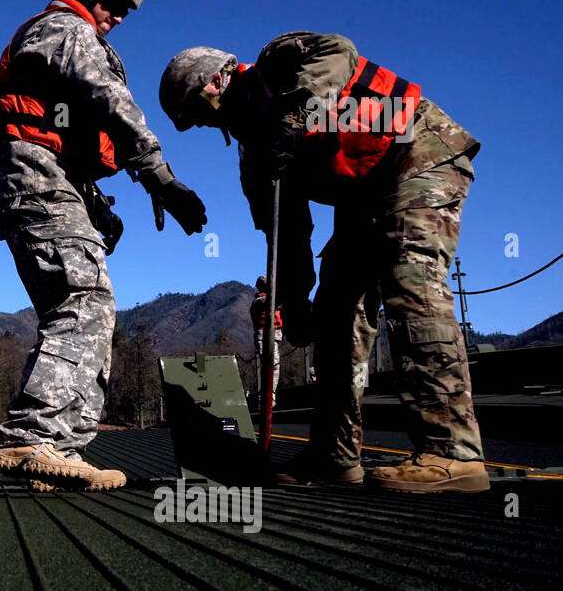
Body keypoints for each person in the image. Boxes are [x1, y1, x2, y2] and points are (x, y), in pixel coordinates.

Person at [159, 33, 487, 492]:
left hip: (417, 152)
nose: (206, 126)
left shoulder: (278, 63)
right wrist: (293, 303)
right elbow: (286, 233)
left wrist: (292, 119)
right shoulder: (257, 157)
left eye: (197, 112)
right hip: (365, 195)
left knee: (410, 288)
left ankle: (451, 451)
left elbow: (339, 52)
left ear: (216, 81)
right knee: (336, 314)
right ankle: (334, 454)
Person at [0, 0, 208, 491]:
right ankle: (35, 437)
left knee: (87, 305)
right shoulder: (65, 30)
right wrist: (160, 177)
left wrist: (100, 207)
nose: (119, 17)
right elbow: (107, 103)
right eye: (115, 1)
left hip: (46, 181)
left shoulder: (68, 38)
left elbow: (67, 136)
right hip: (35, 181)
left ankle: (59, 452)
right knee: (85, 302)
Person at [249, 275, 282, 410]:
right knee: (271, 365)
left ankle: (269, 395)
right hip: (264, 336)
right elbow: (270, 302)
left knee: (274, 366)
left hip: (273, 335)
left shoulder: (269, 300)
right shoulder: (259, 301)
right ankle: (267, 396)